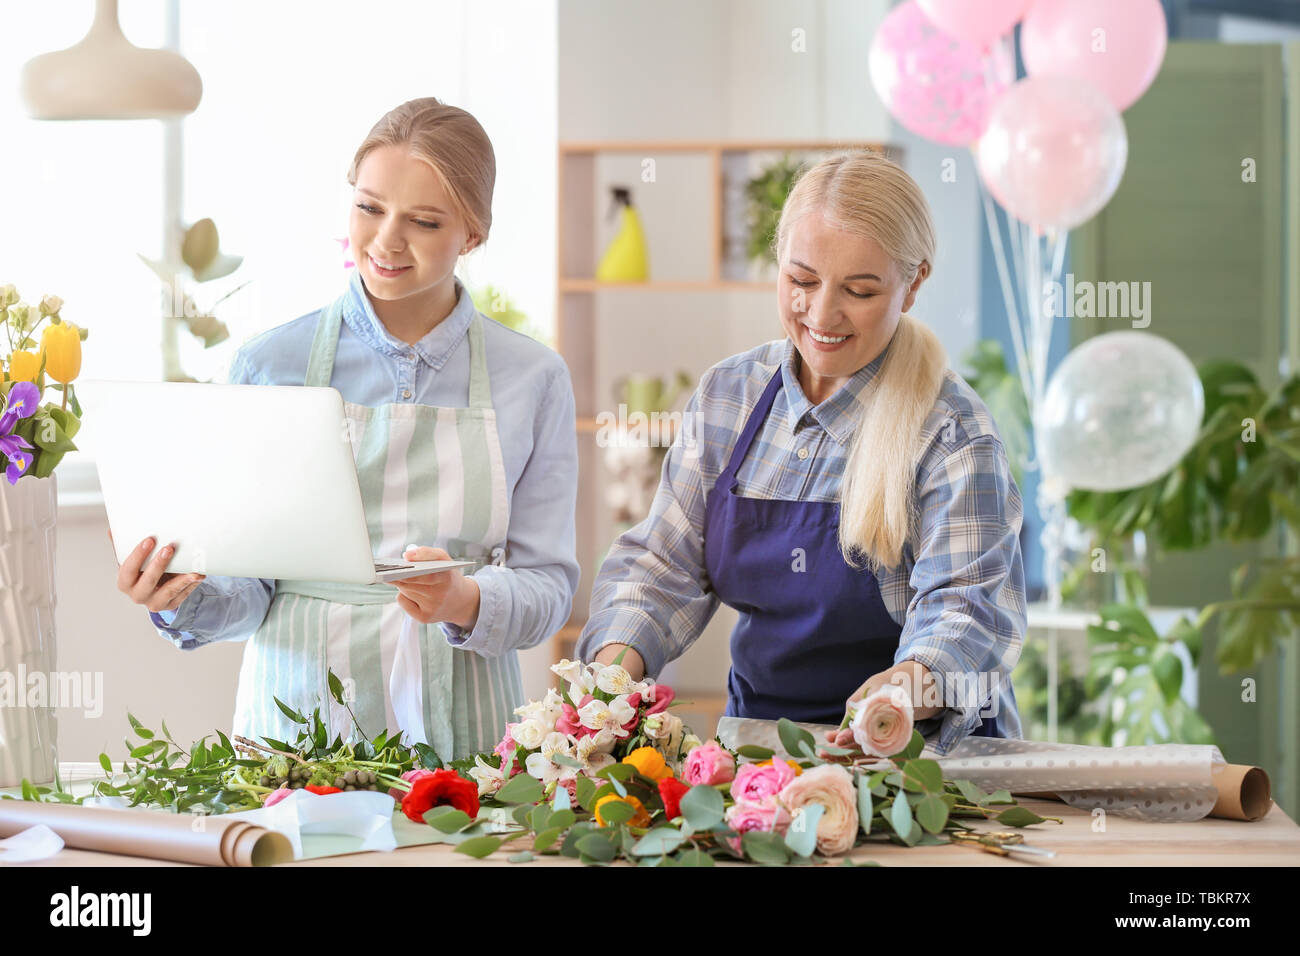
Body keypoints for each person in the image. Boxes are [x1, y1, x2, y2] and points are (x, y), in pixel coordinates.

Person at [112, 97, 578, 762]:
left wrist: (463, 598)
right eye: (369, 207)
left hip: (465, 742)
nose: (387, 239)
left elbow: (549, 589)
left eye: (423, 220)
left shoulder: (533, 380)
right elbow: (250, 591)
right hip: (291, 734)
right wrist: (176, 596)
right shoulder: (269, 364)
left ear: (472, 234)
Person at [577, 149, 1025, 756]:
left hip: (920, 764)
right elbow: (663, 566)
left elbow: (966, 612)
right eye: (802, 280)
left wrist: (902, 695)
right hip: (761, 753)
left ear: (912, 284)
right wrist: (613, 677)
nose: (821, 313)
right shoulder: (728, 396)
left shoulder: (952, 431)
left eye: (860, 291)